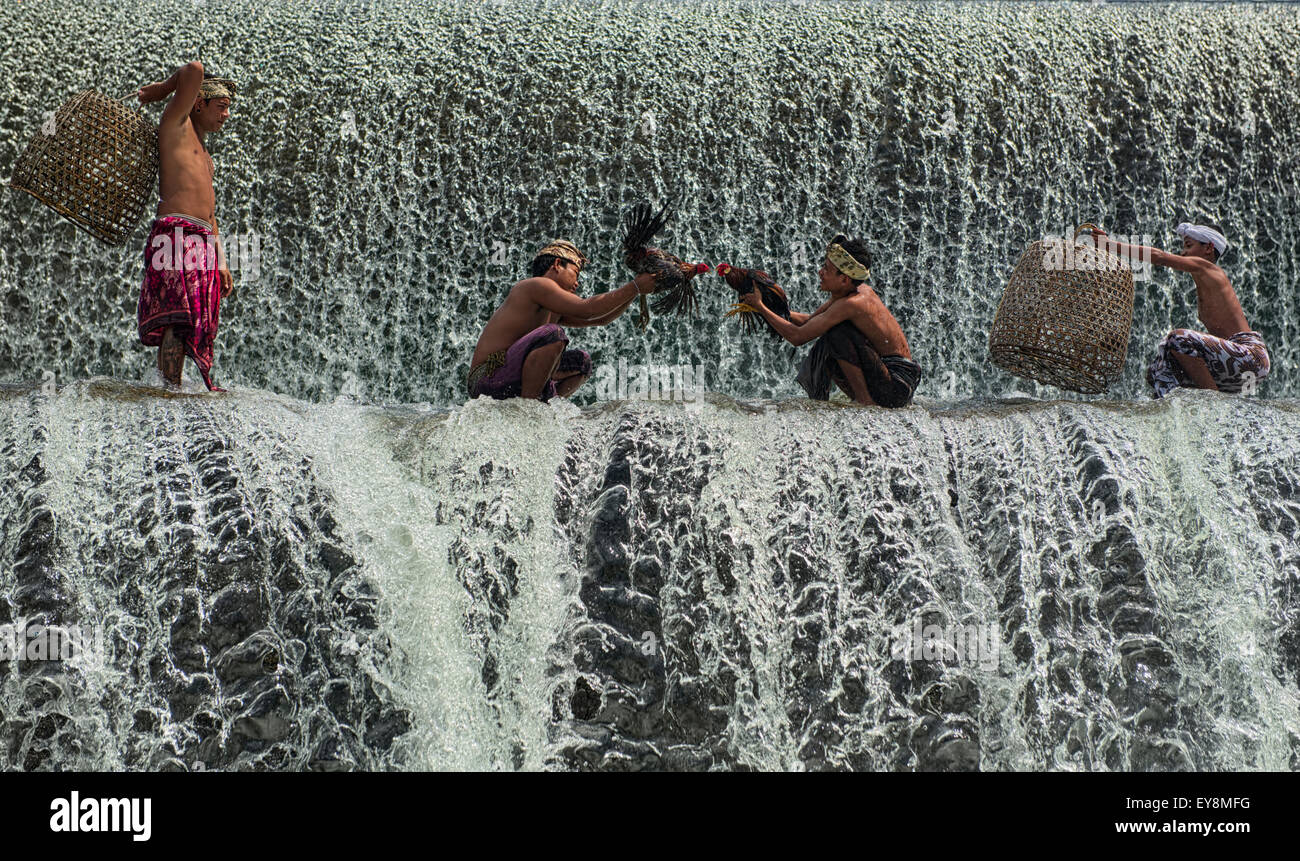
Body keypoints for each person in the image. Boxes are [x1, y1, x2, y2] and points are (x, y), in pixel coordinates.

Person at [135, 62, 235, 390]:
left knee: (194, 320)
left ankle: (177, 383)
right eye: (221, 107)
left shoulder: (206, 156)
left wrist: (221, 261)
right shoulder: (175, 124)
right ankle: (170, 389)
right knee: (177, 317)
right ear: (197, 103)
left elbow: (211, 213)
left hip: (202, 239)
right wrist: (163, 89)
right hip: (175, 234)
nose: (226, 115)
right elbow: (194, 69)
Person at [738, 235, 921, 407]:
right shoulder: (851, 293)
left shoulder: (852, 304)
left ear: (844, 279)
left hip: (896, 385)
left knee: (836, 333)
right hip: (894, 379)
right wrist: (768, 308)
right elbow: (809, 321)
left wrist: (761, 307)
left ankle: (865, 401)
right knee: (832, 333)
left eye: (826, 269)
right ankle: (863, 397)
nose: (820, 272)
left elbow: (797, 337)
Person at [1092, 223, 1269, 397]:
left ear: (1208, 247)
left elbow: (1159, 256)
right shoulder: (1206, 281)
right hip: (1233, 368)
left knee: (1178, 338)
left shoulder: (1207, 268)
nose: (1183, 253)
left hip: (1251, 357)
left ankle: (1214, 402)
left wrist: (1108, 245)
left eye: (1188, 246)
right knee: (1159, 371)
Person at [467, 240, 656, 401]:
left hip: (513, 376)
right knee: (552, 334)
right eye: (575, 272)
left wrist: (637, 290)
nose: (577, 282)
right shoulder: (537, 286)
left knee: (582, 363)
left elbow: (602, 318)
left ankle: (546, 403)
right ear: (557, 264)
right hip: (486, 378)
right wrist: (634, 287)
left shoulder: (551, 304)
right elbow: (587, 309)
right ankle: (528, 408)